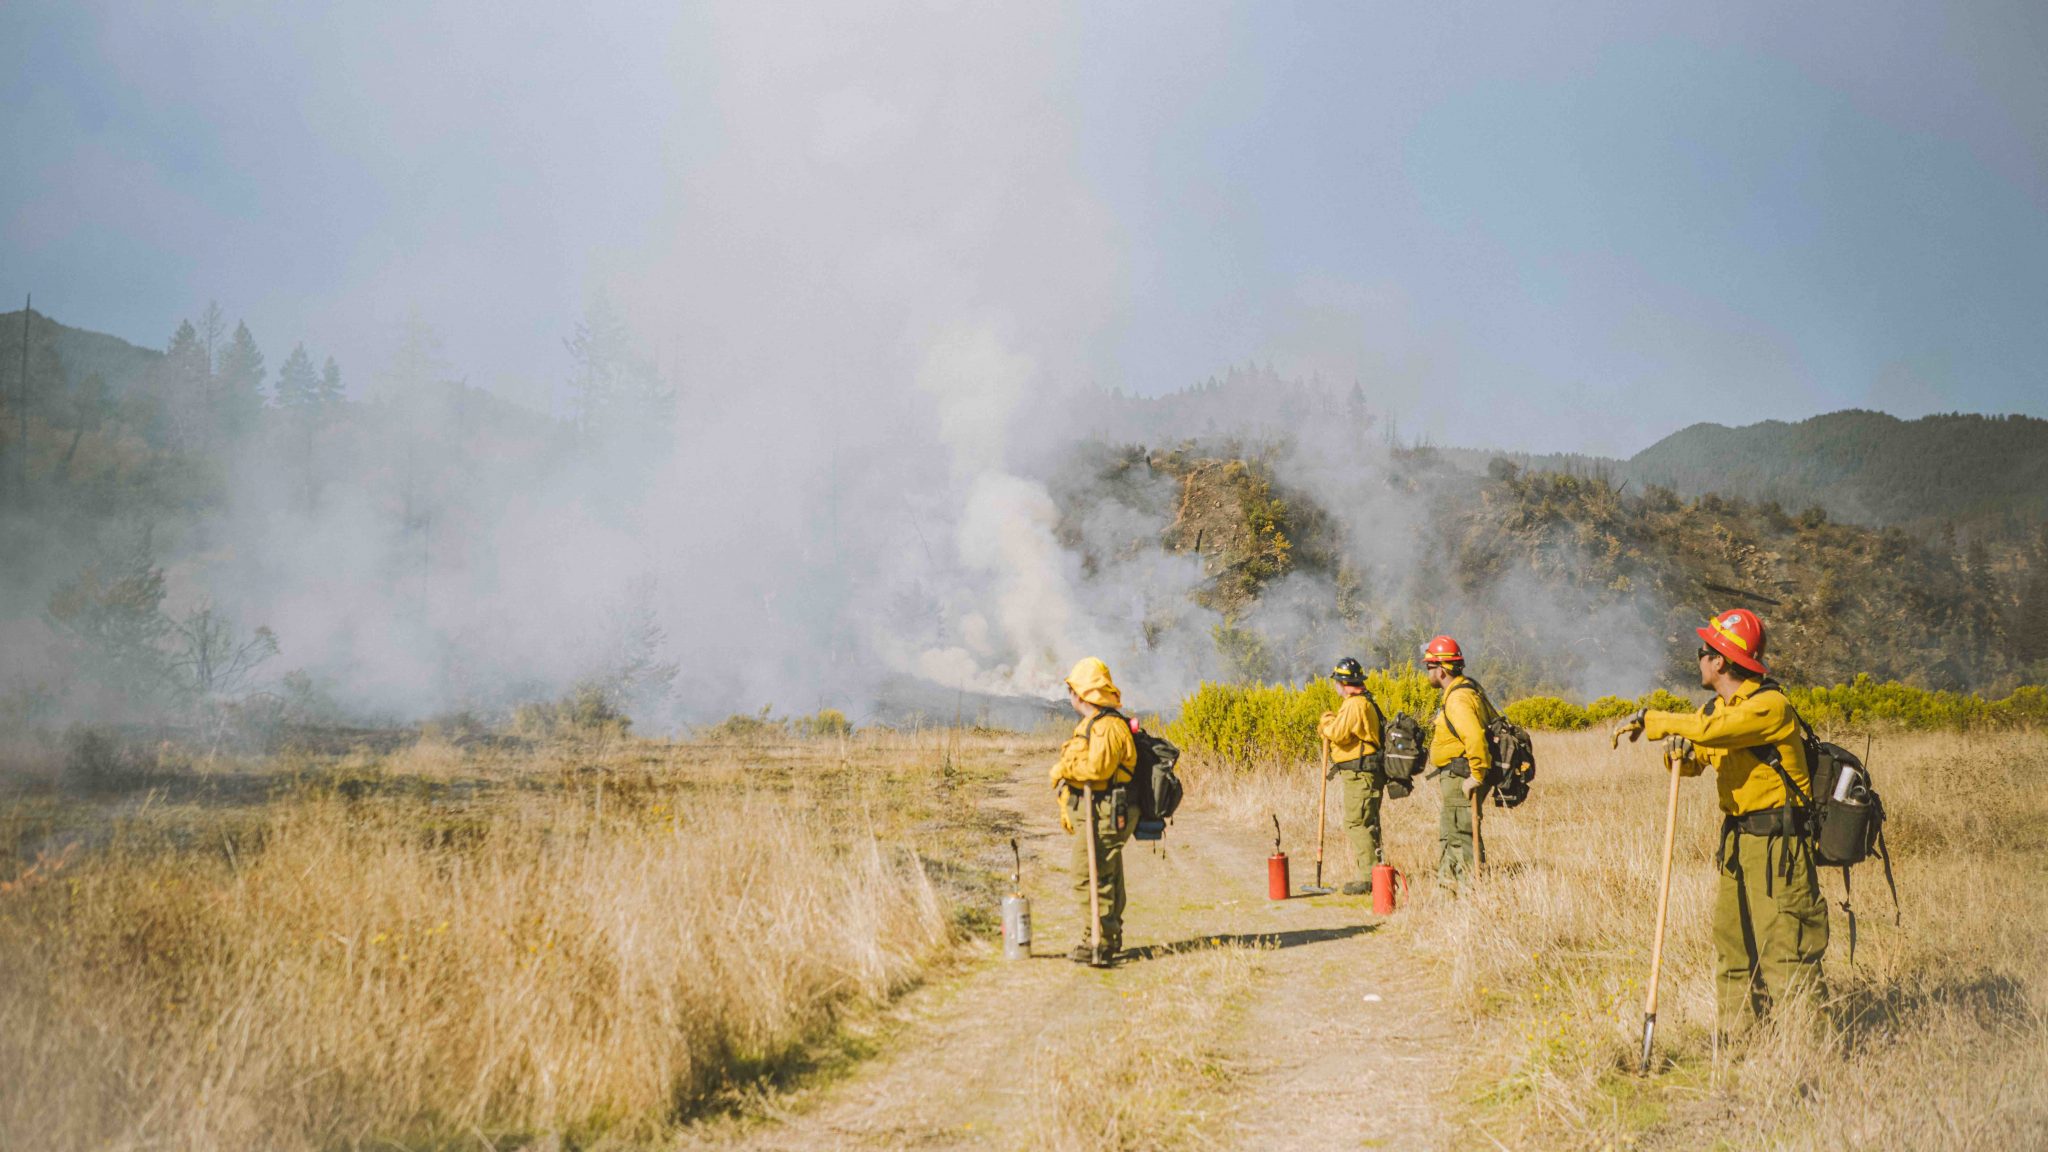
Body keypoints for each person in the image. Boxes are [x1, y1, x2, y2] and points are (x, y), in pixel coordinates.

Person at [1616, 608, 1828, 1036]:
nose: (1699, 658)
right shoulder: (1718, 710)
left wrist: (1651, 719)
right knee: (1733, 945)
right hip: (1737, 841)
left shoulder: (1769, 706)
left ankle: (1810, 1047)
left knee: (1785, 948)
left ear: (1720, 662)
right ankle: (1740, 1038)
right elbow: (1703, 752)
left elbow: (1714, 731)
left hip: (1778, 845)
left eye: (1704, 651)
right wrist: (1680, 754)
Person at [1051, 656, 1138, 965]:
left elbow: (1097, 770)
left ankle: (1097, 941)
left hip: (1105, 812)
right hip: (1097, 809)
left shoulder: (1106, 726)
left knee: (1090, 875)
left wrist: (1063, 769)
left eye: (1073, 690)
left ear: (1083, 693)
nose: (1071, 696)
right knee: (1105, 873)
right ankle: (1108, 936)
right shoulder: (1097, 723)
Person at [1422, 635, 1495, 891]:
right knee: (1451, 830)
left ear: (1441, 670)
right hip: (1456, 774)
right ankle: (1446, 886)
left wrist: (1476, 776)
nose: (1428, 672)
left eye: (1429, 666)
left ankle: (1468, 890)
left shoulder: (1458, 699)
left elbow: (1474, 737)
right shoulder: (1464, 691)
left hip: (1460, 775)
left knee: (1462, 832)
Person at [1318, 657, 1386, 895]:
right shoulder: (1361, 701)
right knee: (1367, 823)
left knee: (1357, 823)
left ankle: (1369, 879)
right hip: (1362, 773)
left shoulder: (1355, 704)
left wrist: (1325, 721)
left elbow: (1337, 733)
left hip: (1360, 775)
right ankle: (1377, 875)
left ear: (1343, 683)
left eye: (1337, 681)